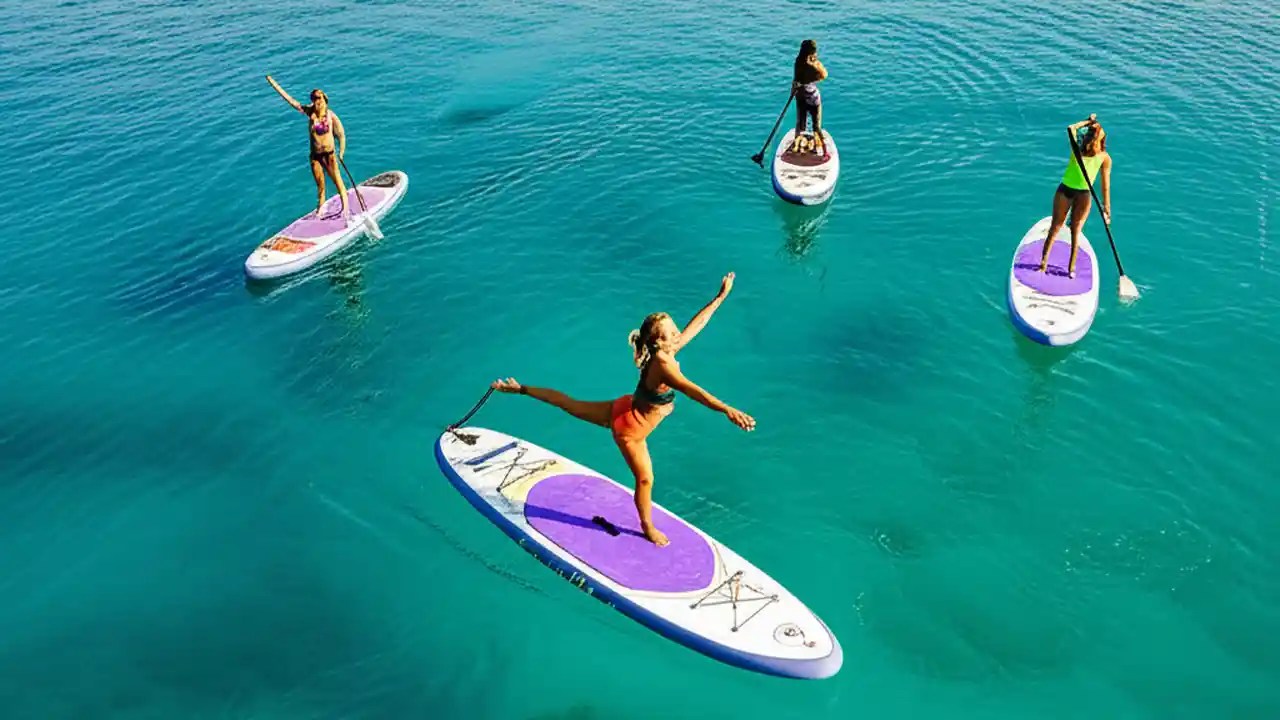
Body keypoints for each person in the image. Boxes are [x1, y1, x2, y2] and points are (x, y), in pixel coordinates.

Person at [489, 273, 756, 547]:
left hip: (625, 407)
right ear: (658, 343)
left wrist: (720, 297)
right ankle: (647, 527)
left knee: (569, 404)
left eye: (676, 330)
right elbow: (692, 391)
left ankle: (519, 389)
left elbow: (696, 325)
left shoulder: (665, 350)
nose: (678, 336)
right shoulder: (664, 365)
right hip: (630, 430)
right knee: (645, 479)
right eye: (671, 334)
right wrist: (728, 410)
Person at [265, 75, 351, 222]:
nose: (317, 102)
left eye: (319, 99)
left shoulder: (331, 116)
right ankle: (320, 211)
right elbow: (291, 101)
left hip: (329, 155)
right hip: (315, 156)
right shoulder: (310, 113)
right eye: (314, 99)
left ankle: (346, 212)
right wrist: (274, 84)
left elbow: (341, 135)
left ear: (324, 100)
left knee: (338, 183)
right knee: (321, 186)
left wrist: (341, 153)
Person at [1039, 113, 1112, 278]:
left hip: (1081, 195)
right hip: (1067, 191)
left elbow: (1105, 186)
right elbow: (1071, 128)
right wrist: (1089, 122)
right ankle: (1045, 264)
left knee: (1072, 230)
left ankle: (1068, 269)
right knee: (1058, 227)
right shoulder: (1078, 149)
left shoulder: (1102, 158)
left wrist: (1107, 210)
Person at [789, 39, 829, 156]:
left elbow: (795, 80)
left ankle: (796, 147)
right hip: (813, 98)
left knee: (800, 124)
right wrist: (816, 62)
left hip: (800, 96)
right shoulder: (812, 66)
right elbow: (824, 75)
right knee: (816, 126)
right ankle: (824, 151)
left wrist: (792, 92)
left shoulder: (798, 62)